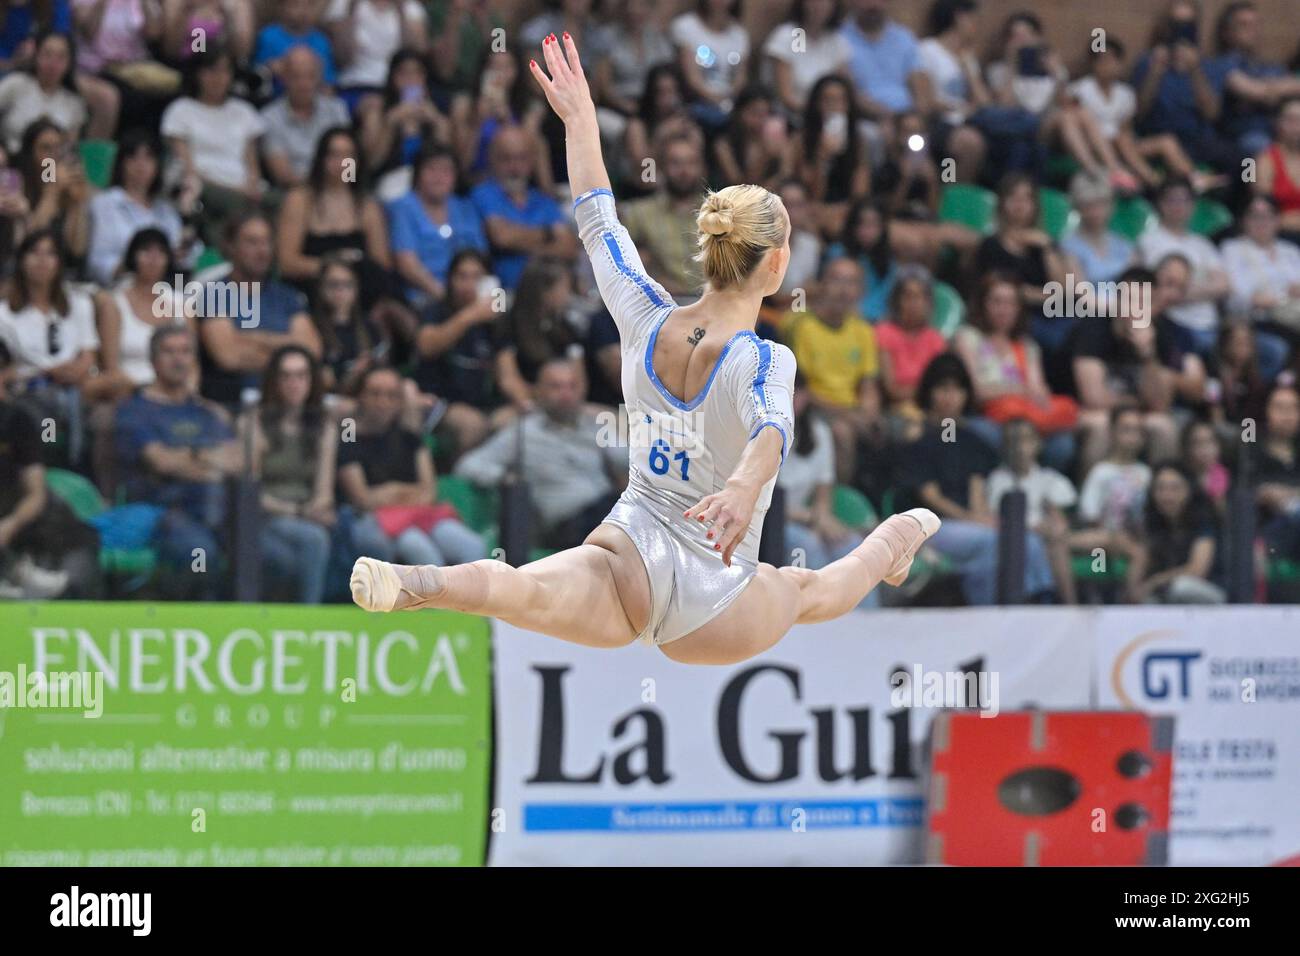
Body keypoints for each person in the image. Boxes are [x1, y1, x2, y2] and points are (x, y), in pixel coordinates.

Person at [350, 34, 939, 665]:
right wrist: (741, 491)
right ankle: (897, 538)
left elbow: (598, 221)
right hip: (717, 595)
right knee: (811, 589)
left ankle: (423, 583)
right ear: (777, 265)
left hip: (628, 553)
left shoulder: (643, 314)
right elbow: (773, 429)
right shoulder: (763, 358)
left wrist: (580, 121)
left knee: (517, 587)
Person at [898, 352, 1054, 605]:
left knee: (1028, 541)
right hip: (930, 527)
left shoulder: (974, 442)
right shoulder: (918, 440)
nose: (950, 397)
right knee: (991, 542)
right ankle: (987, 609)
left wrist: (983, 518)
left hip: (967, 525)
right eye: (942, 388)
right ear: (929, 393)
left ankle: (1043, 604)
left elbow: (976, 491)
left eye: (957, 389)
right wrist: (972, 520)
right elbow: (930, 497)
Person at [114, 326, 243, 599]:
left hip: (221, 511)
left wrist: (187, 457)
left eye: (185, 352)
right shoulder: (134, 410)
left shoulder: (209, 412)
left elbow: (236, 461)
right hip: (165, 514)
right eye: (169, 352)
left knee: (270, 552)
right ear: (152, 360)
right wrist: (208, 457)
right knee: (201, 555)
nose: (178, 359)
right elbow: (160, 462)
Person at [455, 356, 628, 550]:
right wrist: (506, 477)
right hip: (567, 523)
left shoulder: (593, 425)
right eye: (556, 387)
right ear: (538, 391)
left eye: (572, 386)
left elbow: (627, 459)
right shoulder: (523, 432)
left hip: (609, 509)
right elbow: (468, 465)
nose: (566, 394)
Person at [339, 364, 486, 568]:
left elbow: (429, 492)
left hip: (420, 515)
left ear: (400, 401)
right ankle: (432, 600)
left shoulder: (410, 438)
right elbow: (363, 499)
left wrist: (392, 491)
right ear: (361, 396)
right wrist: (408, 493)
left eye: (391, 395)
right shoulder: (350, 437)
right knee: (425, 554)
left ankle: (469, 599)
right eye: (375, 394)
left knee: (473, 546)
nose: (383, 402)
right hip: (380, 520)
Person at [0, 339, 100, 599]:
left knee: (77, 531)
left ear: (8, 372)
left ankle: (48, 589)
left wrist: (9, 526)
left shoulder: (18, 419)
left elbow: (35, 491)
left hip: (11, 510)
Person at [198, 210, 322, 407]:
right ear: (231, 246)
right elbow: (228, 357)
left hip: (291, 402)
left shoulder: (288, 297)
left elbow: (311, 352)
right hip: (237, 401)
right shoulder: (214, 295)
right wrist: (288, 348)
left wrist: (250, 337)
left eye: (266, 242)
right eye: (252, 242)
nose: (262, 250)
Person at [243, 345, 337, 604]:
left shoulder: (324, 425)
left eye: (301, 376)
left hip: (308, 515)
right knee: (314, 540)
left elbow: (324, 491)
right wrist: (296, 511)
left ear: (311, 381)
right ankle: (308, 619)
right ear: (274, 381)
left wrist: (313, 510)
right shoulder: (255, 422)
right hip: (266, 517)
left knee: (347, 535)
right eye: (286, 376)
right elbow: (250, 492)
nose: (294, 384)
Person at [783, 255, 881, 480]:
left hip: (849, 410)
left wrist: (869, 413)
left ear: (860, 291)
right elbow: (800, 388)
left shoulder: (863, 331)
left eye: (851, 283)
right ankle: (837, 499)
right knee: (842, 432)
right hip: (811, 408)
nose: (843, 290)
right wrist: (850, 415)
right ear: (822, 285)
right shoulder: (800, 325)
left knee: (891, 431)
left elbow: (868, 385)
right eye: (836, 280)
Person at [468, 124, 575, 289]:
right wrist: (548, 234)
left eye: (521, 158)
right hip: (501, 295)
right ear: (492, 159)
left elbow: (569, 247)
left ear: (532, 161)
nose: (515, 168)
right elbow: (502, 237)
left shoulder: (542, 200)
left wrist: (526, 245)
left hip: (543, 295)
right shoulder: (484, 193)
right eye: (506, 159)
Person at [985, 417, 1078, 604]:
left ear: (1038, 444)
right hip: (1014, 541)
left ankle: (1069, 606)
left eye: (1026, 440)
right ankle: (1047, 600)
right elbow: (993, 520)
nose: (1020, 448)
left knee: (1056, 543)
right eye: (1013, 442)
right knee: (1040, 545)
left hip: (1055, 539)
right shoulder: (996, 480)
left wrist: (1054, 526)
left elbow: (1063, 520)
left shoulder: (1051, 479)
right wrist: (1033, 528)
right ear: (1005, 447)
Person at [387, 141, 488, 310]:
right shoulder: (403, 207)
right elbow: (407, 265)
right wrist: (446, 297)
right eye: (431, 169)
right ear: (417, 174)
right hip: (424, 297)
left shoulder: (465, 207)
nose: (439, 177)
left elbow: (482, 257)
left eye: (446, 171)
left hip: (469, 294)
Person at [86, 129, 186, 286]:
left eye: (148, 158)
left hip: (164, 289)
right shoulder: (105, 203)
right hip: (120, 288)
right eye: (133, 157)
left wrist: (182, 253)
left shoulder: (167, 211)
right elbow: (98, 262)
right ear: (122, 163)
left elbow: (181, 262)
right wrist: (135, 264)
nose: (141, 165)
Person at [620, 132, 707, 300]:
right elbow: (621, 266)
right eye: (675, 163)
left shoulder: (720, 211)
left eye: (691, 163)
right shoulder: (640, 213)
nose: (684, 171)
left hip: (713, 304)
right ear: (661, 167)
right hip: (662, 304)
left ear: (701, 167)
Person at [1127, 461, 1225, 603]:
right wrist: (1135, 588)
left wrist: (1155, 581)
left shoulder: (1204, 522)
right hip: (1167, 593)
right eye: (1160, 488)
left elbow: (1197, 570)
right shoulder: (1153, 525)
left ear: (1188, 490)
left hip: (1208, 593)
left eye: (1175, 488)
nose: (1167, 496)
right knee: (1147, 600)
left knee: (1181, 587)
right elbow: (1141, 560)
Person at [258, 46, 351, 191]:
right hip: (295, 193)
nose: (303, 84)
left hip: (339, 188)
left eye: (310, 76)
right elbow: (283, 176)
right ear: (284, 78)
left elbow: (348, 159)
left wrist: (347, 186)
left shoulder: (337, 110)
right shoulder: (269, 117)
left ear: (319, 78)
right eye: (296, 77)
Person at [0, 29, 86, 154]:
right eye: (47, 54)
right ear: (36, 56)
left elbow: (69, 150)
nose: (53, 63)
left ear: (69, 63)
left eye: (61, 57)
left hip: (49, 168)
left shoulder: (74, 104)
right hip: (11, 160)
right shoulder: (16, 84)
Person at [1256, 97, 1300, 241]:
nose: (1297, 127)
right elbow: (1259, 210)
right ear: (1278, 123)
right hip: (1278, 236)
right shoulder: (1260, 160)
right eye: (1291, 120)